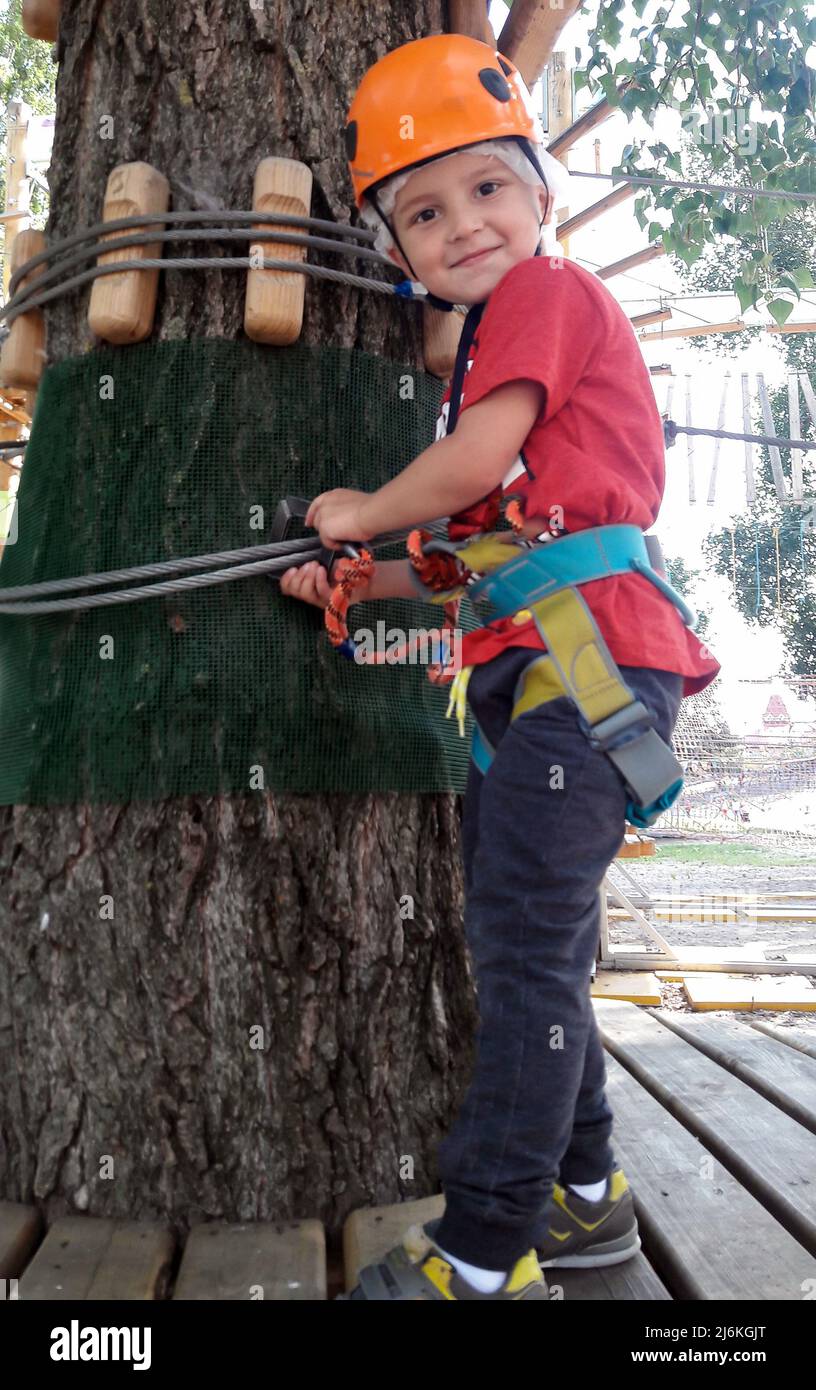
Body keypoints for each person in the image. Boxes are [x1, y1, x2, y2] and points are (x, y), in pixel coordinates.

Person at [281, 34, 721, 1301]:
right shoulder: (486, 359)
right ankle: (588, 1197)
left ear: (540, 195)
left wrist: (362, 511)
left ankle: (479, 1255)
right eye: (424, 210)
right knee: (538, 945)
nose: (463, 225)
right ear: (398, 246)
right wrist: (361, 578)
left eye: (487, 188)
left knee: (525, 957)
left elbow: (470, 475)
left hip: (584, 672)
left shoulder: (546, 296)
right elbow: (471, 553)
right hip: (551, 676)